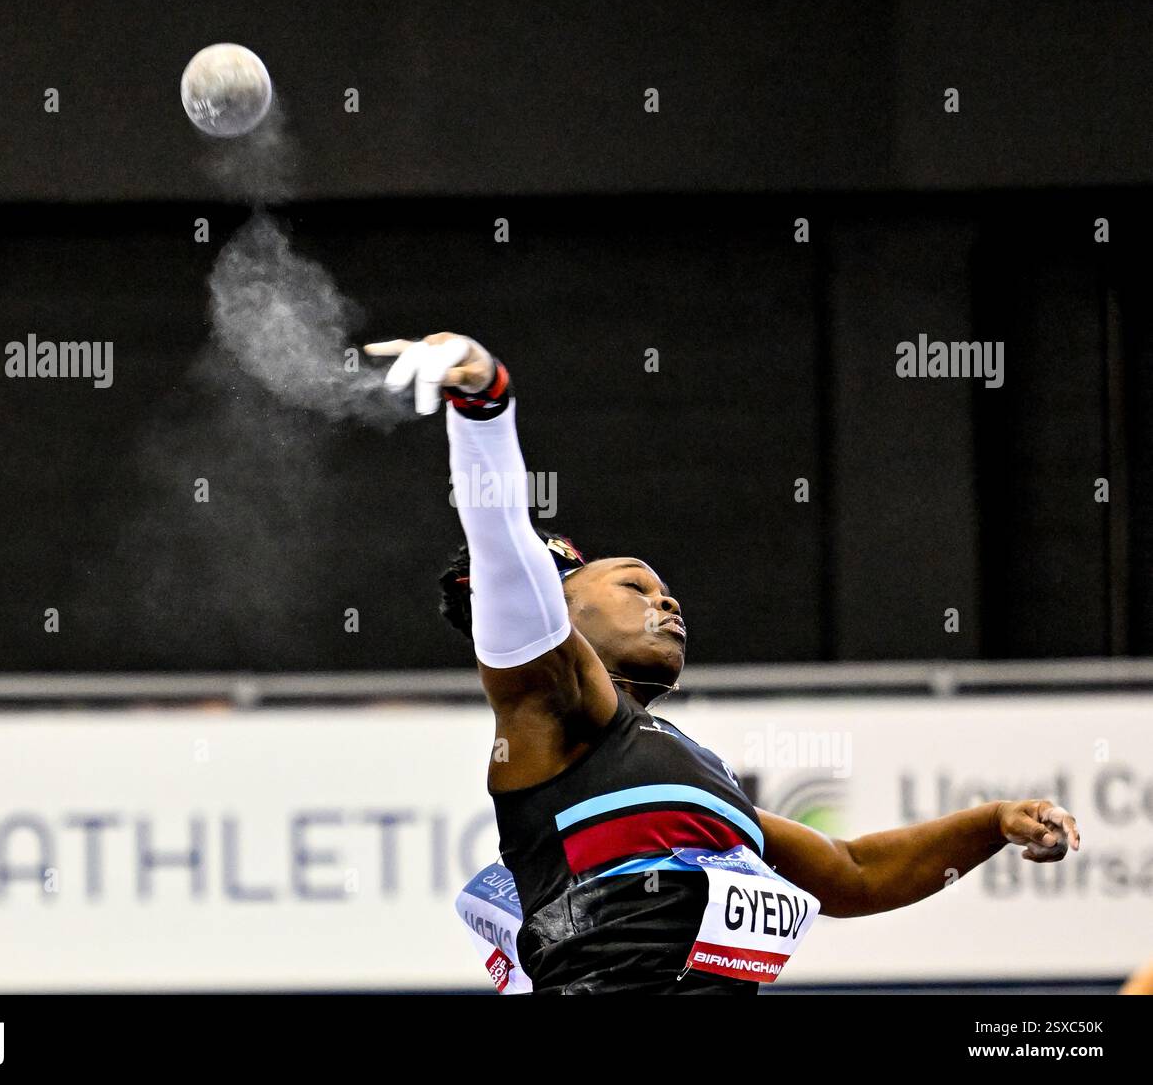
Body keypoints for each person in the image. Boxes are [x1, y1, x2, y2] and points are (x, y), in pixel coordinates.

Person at [366, 331, 1083, 995]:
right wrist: (485, 409)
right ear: (562, 618)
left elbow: (857, 872)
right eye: (632, 585)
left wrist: (993, 822)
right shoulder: (553, 705)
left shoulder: (699, 779)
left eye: (667, 590)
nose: (666, 602)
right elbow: (504, 547)